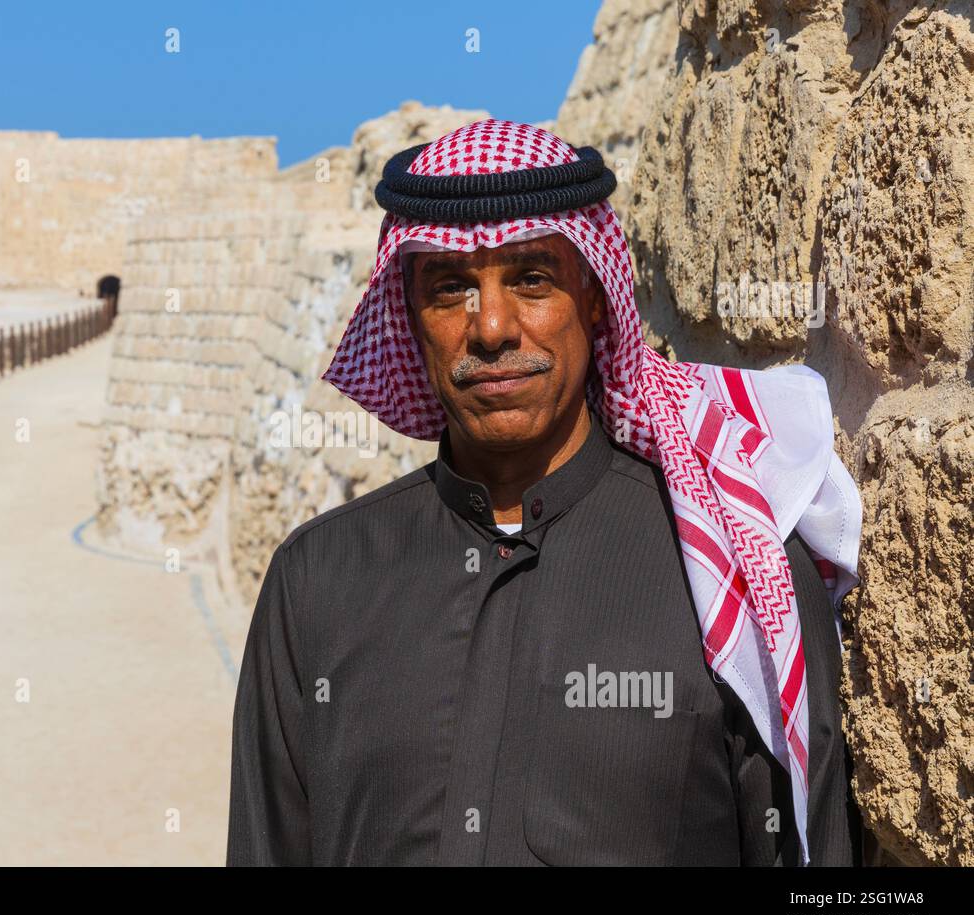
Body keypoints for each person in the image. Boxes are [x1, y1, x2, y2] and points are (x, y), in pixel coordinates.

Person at [226, 119, 863, 866]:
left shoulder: (730, 562)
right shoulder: (317, 582)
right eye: (451, 287)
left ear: (595, 301)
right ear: (409, 316)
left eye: (531, 279)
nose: (491, 328)